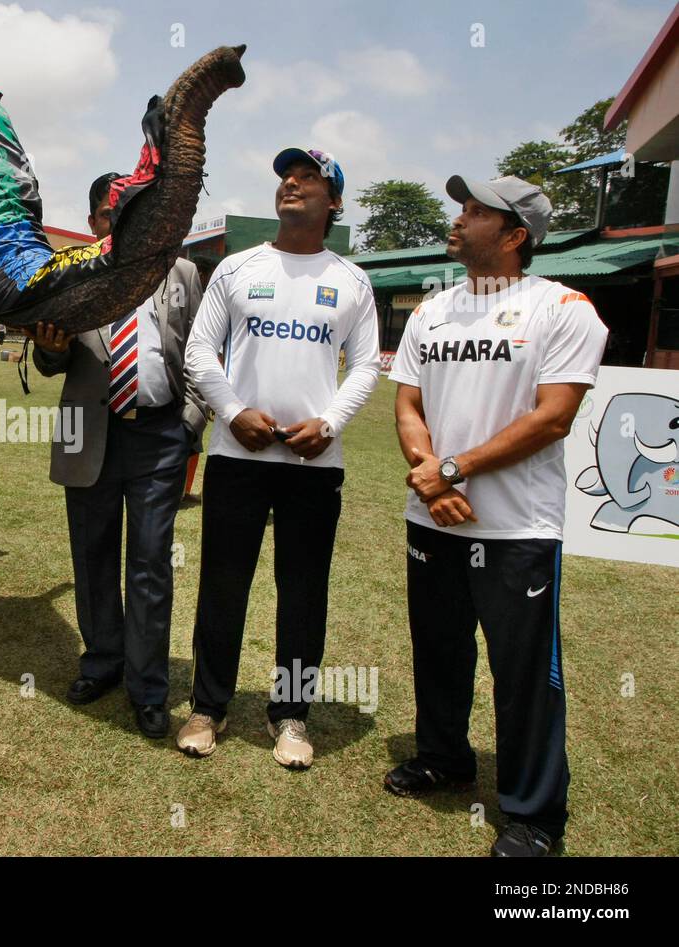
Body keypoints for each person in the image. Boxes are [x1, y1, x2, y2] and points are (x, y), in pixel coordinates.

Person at [386, 175, 607, 857]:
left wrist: (455, 469)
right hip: (434, 519)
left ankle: (535, 814)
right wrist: (431, 479)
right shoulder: (432, 311)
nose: (459, 219)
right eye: (461, 207)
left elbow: (553, 417)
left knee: (523, 674)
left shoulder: (564, 308)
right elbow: (408, 405)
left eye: (476, 212)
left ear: (515, 237)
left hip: (517, 527)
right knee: (440, 650)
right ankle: (444, 756)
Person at [181, 148, 380, 764]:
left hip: (312, 463)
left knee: (302, 590)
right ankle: (207, 708)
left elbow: (368, 364)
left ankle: (291, 716)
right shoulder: (237, 268)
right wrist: (234, 412)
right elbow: (199, 351)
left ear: (334, 201)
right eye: (286, 177)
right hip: (237, 456)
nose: (292, 183)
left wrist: (330, 423)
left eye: (310, 178)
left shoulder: (351, 279)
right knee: (222, 584)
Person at [31, 172, 207, 739]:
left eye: (132, 212)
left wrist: (188, 425)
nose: (123, 223)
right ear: (93, 224)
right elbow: (51, 362)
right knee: (93, 554)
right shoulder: (70, 271)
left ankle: (148, 687)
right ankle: (102, 662)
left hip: (159, 435)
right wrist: (48, 348)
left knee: (152, 561)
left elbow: (203, 352)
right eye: (111, 214)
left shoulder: (178, 270)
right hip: (88, 430)